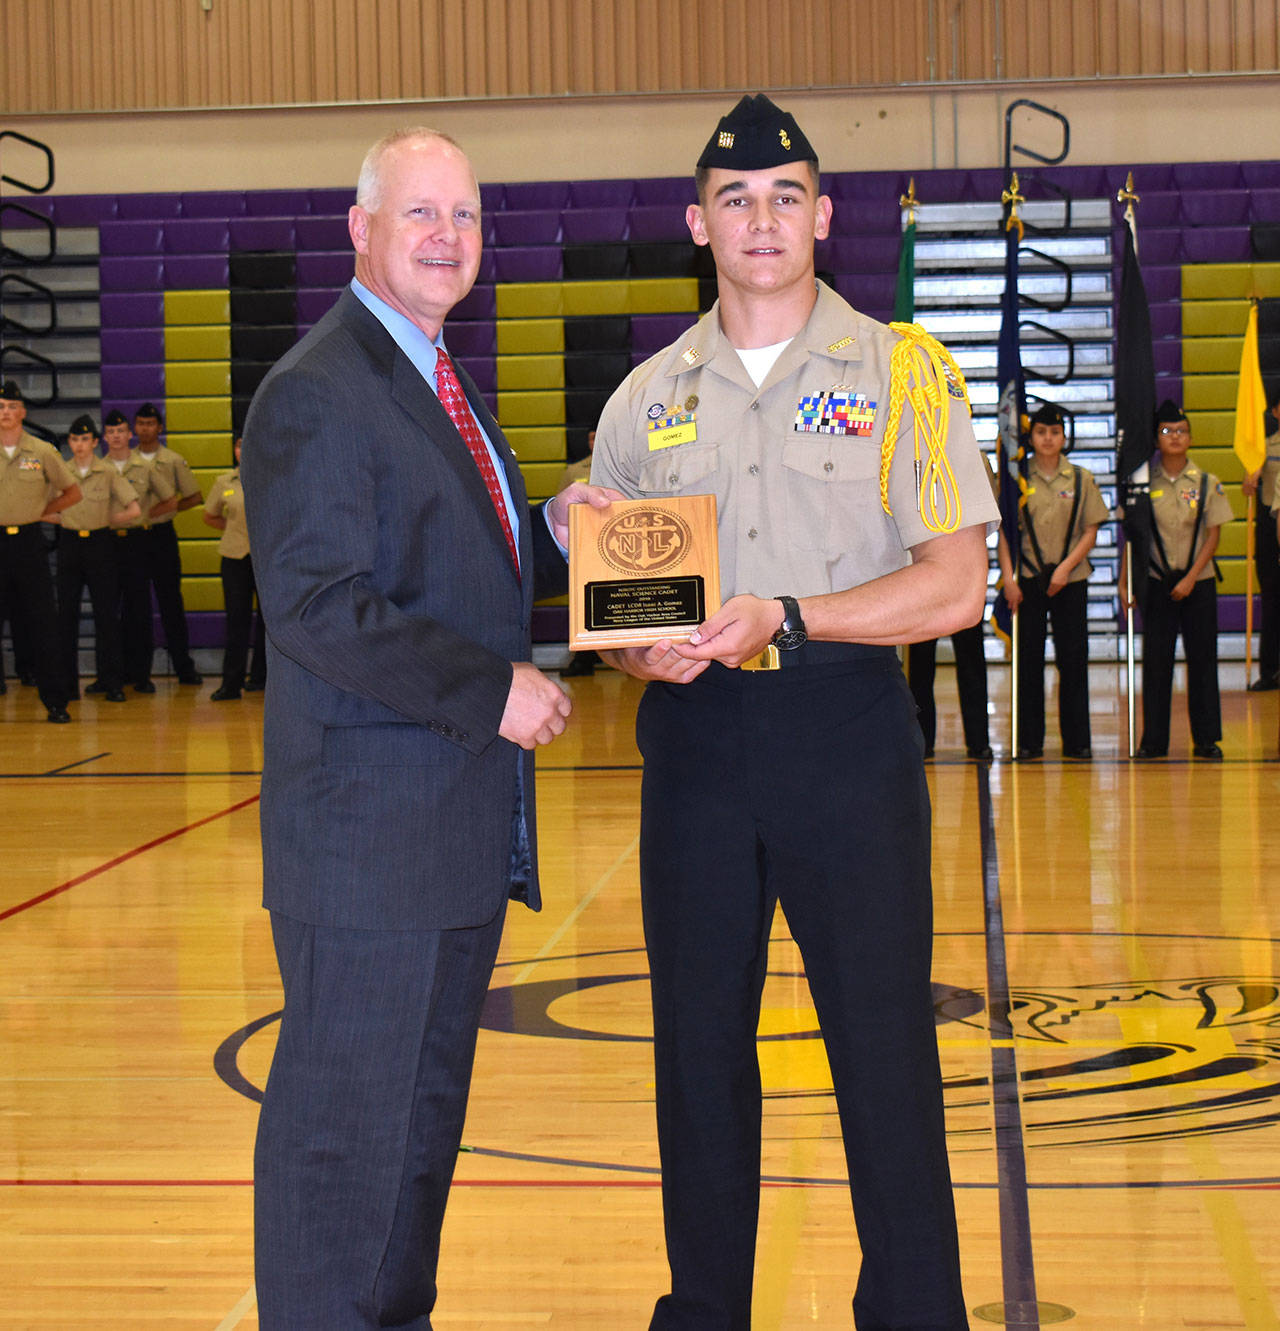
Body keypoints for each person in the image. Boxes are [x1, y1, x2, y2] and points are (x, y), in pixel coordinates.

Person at [591, 95, 996, 1331]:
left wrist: (795, 617)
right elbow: (615, 606)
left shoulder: (902, 374)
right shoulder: (642, 399)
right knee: (696, 1049)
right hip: (698, 749)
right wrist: (636, 659)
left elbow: (955, 582)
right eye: (732, 199)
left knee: (882, 1044)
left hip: (844, 738)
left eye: (782, 197)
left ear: (822, 215)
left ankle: (916, 1309)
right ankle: (704, 1307)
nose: (758, 220)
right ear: (694, 224)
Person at [241, 127, 618, 1330]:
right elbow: (313, 602)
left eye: (463, 215)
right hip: (367, 852)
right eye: (420, 214)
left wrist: (548, 524)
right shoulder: (317, 388)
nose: (447, 236)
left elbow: (435, 560)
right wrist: (489, 688)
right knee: (342, 1152)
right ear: (360, 229)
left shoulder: (432, 375)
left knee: (410, 1143)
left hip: (441, 840)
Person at [998, 403, 1108, 760]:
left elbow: (1090, 530)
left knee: (1073, 660)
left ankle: (1078, 742)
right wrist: (1007, 578)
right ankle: (1029, 741)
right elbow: (1003, 532)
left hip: (1071, 579)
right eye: (1042, 432)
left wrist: (1066, 567)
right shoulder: (1017, 480)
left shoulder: (1080, 478)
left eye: (1055, 433)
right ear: (1031, 437)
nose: (1048, 439)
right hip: (1027, 579)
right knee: (1029, 661)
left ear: (1064, 437)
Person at [1125, 401, 1233, 760]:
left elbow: (1213, 536)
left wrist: (1189, 579)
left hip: (1197, 583)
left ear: (1191, 437)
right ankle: (1153, 741)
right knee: (1157, 664)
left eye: (1181, 431)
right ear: (1156, 438)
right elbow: (1133, 536)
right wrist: (1129, 582)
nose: (1175, 437)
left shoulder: (1206, 483)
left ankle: (1206, 740)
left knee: (1202, 661)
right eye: (1167, 431)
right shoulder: (1141, 485)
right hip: (1157, 584)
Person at [0, 380, 81, 722]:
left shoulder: (42, 450)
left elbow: (73, 492)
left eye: (11, 407)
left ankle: (56, 701)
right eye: (0, 407)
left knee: (43, 623)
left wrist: (42, 509)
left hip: (29, 542)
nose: (5, 413)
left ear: (23, 412)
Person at [53, 414, 140, 704]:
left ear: (94, 441)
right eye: (75, 439)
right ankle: (66, 686)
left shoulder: (107, 472)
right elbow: (39, 507)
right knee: (66, 618)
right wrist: (63, 518)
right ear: (69, 442)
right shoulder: (61, 472)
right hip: (69, 545)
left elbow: (134, 509)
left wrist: (109, 520)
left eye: (85, 439)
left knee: (106, 617)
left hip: (100, 545)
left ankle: (112, 682)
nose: (80, 445)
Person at [97, 408, 178, 694]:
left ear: (128, 435)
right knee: (107, 610)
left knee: (139, 609)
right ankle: (109, 675)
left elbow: (171, 500)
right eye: (111, 432)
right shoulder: (97, 466)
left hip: (136, 544)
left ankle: (141, 675)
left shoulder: (144, 467)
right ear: (104, 437)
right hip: (105, 543)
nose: (116, 437)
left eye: (121, 432)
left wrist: (144, 514)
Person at [133, 402, 204, 684]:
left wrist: (168, 509)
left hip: (162, 536)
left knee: (171, 603)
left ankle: (183, 667)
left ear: (159, 428)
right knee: (137, 606)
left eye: (150, 424)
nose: (145, 429)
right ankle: (137, 671)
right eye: (140, 423)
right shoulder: (125, 460)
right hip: (134, 539)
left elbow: (195, 497)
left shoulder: (173, 460)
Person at [202, 436, 266, 700]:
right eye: (239, 445)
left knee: (268, 623)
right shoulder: (224, 482)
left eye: (247, 443)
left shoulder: (271, 476)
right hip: (234, 557)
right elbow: (210, 515)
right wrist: (232, 531)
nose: (242, 449)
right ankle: (231, 683)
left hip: (265, 559)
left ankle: (261, 678)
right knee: (236, 620)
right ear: (235, 450)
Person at [1242, 388, 1280, 691]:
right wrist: (1250, 478)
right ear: (1276, 412)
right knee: (1272, 598)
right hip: (1272, 528)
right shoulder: (1265, 448)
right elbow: (1249, 487)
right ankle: (1271, 671)